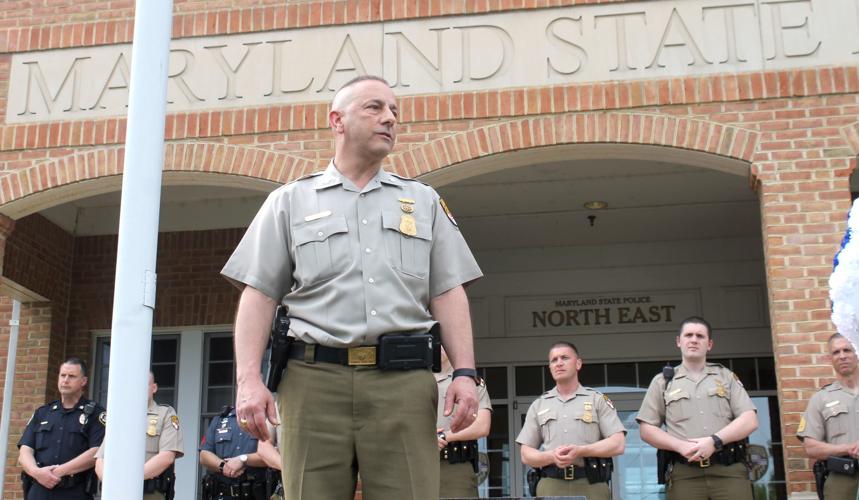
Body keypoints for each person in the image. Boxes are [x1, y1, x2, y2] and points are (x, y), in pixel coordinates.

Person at [221, 74, 483, 500]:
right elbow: (259, 294)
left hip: (402, 384)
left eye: (395, 111)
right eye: (375, 108)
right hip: (312, 382)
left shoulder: (423, 201)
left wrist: (467, 374)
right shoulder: (290, 201)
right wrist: (248, 380)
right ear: (337, 121)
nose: (390, 119)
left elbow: (449, 291)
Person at [637, 316, 758, 500]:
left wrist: (714, 441)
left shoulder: (725, 376)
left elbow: (749, 419)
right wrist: (680, 446)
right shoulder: (662, 381)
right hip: (685, 474)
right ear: (679, 341)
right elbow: (646, 429)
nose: (694, 340)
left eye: (700, 336)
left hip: (728, 471)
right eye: (688, 335)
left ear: (709, 344)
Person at [516, 341, 626, 499]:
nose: (559, 363)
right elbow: (526, 454)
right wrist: (552, 456)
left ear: (578, 363)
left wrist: (581, 451)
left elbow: (618, 443)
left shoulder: (598, 400)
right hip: (551, 485)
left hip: (591, 484)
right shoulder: (538, 405)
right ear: (550, 367)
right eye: (554, 360)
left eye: (565, 358)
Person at [17, 357, 106, 500]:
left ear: (83, 381)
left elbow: (96, 452)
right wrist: (36, 472)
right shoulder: (43, 412)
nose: (65, 380)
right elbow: (25, 450)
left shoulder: (96, 414)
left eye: (71, 376)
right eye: (62, 375)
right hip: (39, 491)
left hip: (75, 492)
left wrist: (58, 472)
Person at [94, 371, 183, 499]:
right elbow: (100, 459)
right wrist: (110, 482)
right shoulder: (119, 416)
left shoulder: (166, 414)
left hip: (149, 494)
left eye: (143, 384)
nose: (138, 388)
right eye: (134, 385)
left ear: (154, 388)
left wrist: (129, 480)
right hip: (116, 493)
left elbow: (167, 457)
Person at [798, 333, 859, 499]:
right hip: (842, 479)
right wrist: (848, 448)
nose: (842, 356)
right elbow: (810, 447)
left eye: (847, 350)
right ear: (829, 358)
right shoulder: (821, 398)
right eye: (836, 352)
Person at [436, 347, 492, 498]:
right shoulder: (414, 381)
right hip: (415, 464)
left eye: (444, 341)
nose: (440, 345)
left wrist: (444, 437)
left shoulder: (470, 382)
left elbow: (482, 426)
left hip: (455, 467)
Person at [199, 406, 269, 500]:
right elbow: (204, 454)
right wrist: (224, 467)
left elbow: (272, 455)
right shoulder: (220, 419)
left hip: (255, 493)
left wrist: (243, 460)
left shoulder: (266, 418)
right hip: (222, 494)